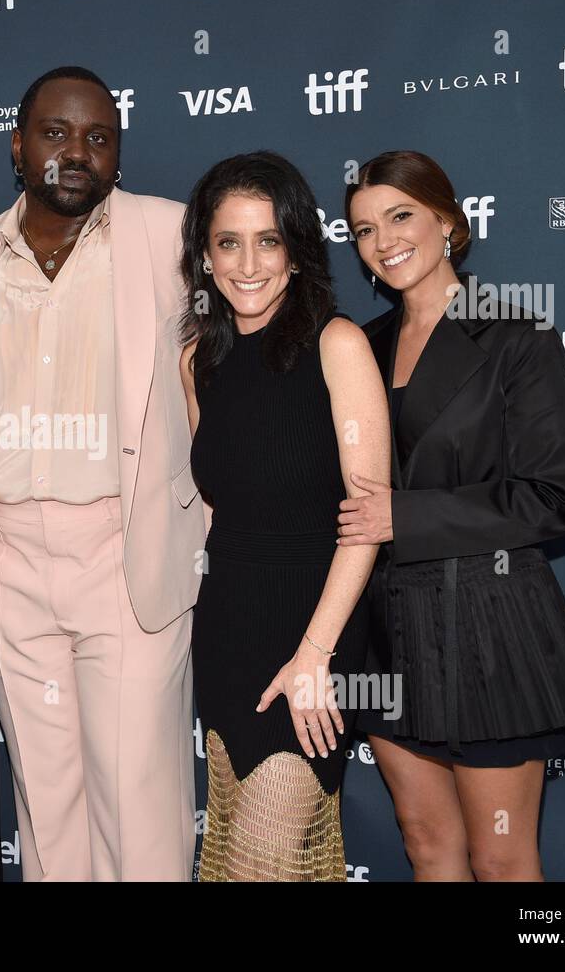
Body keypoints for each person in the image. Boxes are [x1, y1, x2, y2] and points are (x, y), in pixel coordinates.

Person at [0, 66, 207, 882]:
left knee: (138, 801)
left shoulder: (173, 236)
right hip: (9, 559)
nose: (76, 152)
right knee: (46, 806)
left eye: (98, 137)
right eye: (56, 132)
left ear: (118, 154)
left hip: (125, 550)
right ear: (17, 146)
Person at [340, 150, 565, 881]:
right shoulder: (360, 345)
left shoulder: (516, 334)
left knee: (500, 858)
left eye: (401, 216)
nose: (384, 240)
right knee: (427, 845)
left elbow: (554, 496)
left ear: (447, 221)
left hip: (488, 625)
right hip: (385, 633)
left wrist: (405, 517)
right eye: (364, 229)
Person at [179, 152, 388, 881]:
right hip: (227, 629)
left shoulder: (338, 344)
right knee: (233, 855)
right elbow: (222, 504)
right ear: (205, 256)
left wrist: (315, 655)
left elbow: (367, 520)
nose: (247, 264)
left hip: (314, 634)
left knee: (261, 863)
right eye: (228, 242)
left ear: (297, 251)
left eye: (267, 241)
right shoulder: (198, 360)